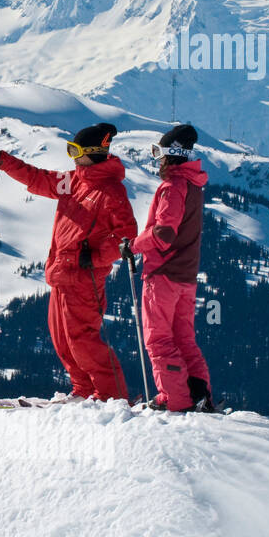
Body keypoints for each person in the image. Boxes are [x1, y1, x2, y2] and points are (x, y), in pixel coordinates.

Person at [0, 123, 138, 401]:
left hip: (85, 278)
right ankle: (84, 391)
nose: (72, 156)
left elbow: (128, 235)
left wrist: (96, 257)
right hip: (61, 275)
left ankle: (112, 397)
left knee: (84, 340)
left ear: (93, 152)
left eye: (74, 150)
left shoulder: (111, 191)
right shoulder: (74, 181)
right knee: (63, 341)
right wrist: (2, 160)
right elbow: (38, 178)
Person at [119, 123, 214, 412]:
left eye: (158, 153)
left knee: (158, 339)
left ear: (171, 154)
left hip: (163, 275)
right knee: (183, 338)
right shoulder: (194, 186)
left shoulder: (173, 187)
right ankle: (200, 395)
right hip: (186, 276)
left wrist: (133, 245)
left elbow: (164, 235)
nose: (157, 159)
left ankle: (175, 399)